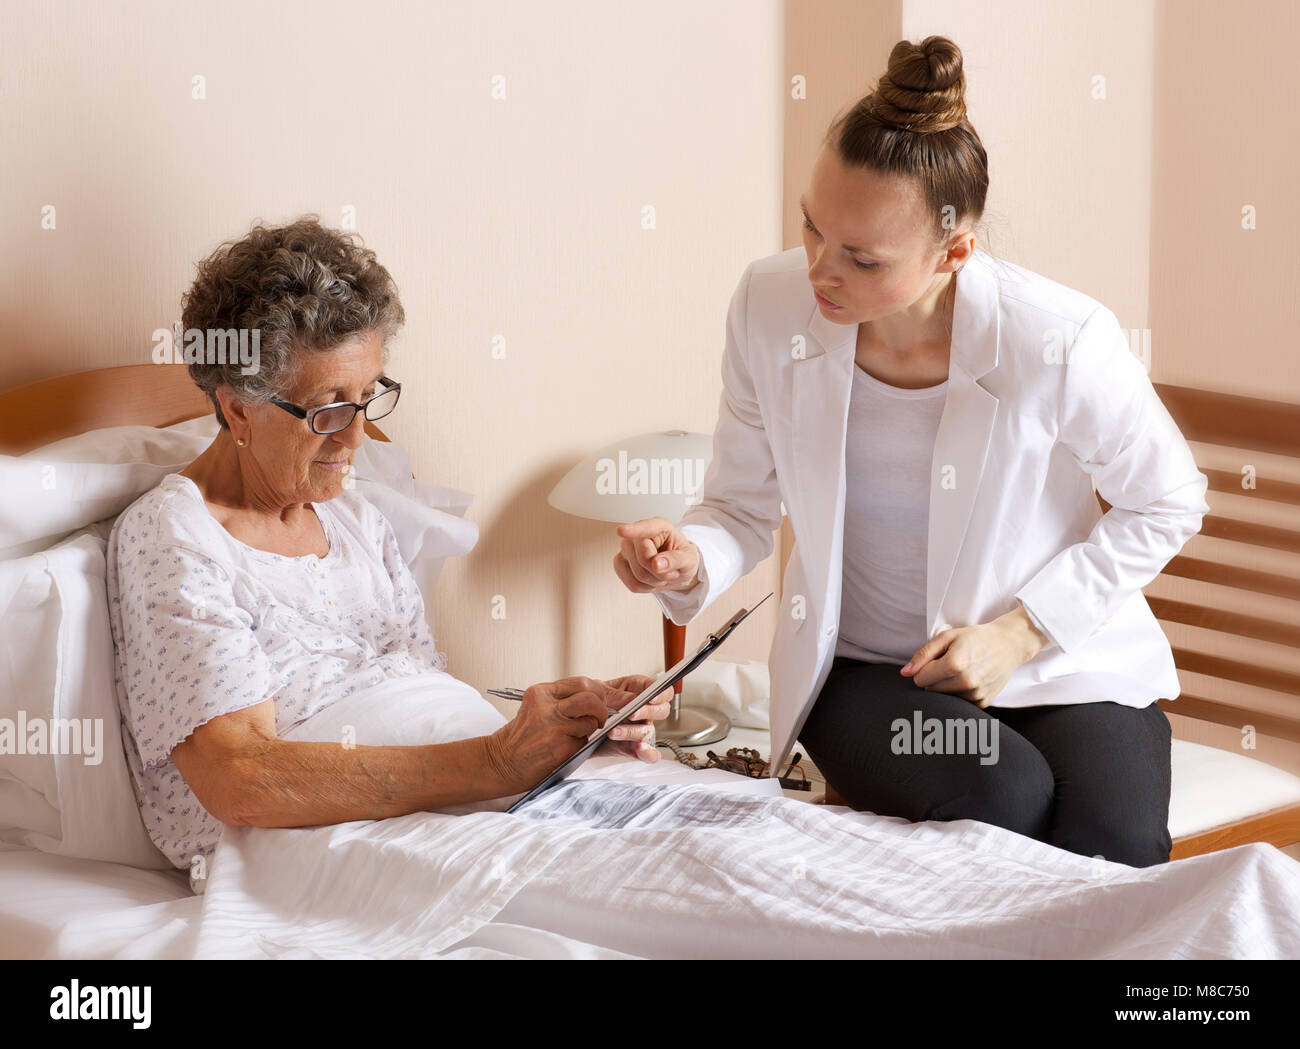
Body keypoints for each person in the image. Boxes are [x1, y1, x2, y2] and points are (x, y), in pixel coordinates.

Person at [612, 36, 1209, 867]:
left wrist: (1021, 633)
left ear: (954, 251)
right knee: (1003, 799)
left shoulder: (1058, 339)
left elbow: (1168, 498)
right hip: (870, 669)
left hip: (1058, 660)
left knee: (1114, 842)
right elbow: (741, 507)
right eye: (813, 228)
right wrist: (688, 558)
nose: (820, 268)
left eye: (861, 257)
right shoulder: (768, 305)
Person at [107, 216, 665, 885]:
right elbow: (241, 777)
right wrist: (496, 760)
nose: (357, 439)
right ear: (237, 410)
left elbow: (419, 697)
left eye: (368, 398)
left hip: (465, 806)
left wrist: (558, 729)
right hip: (328, 847)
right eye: (328, 410)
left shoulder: (358, 520)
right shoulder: (174, 536)